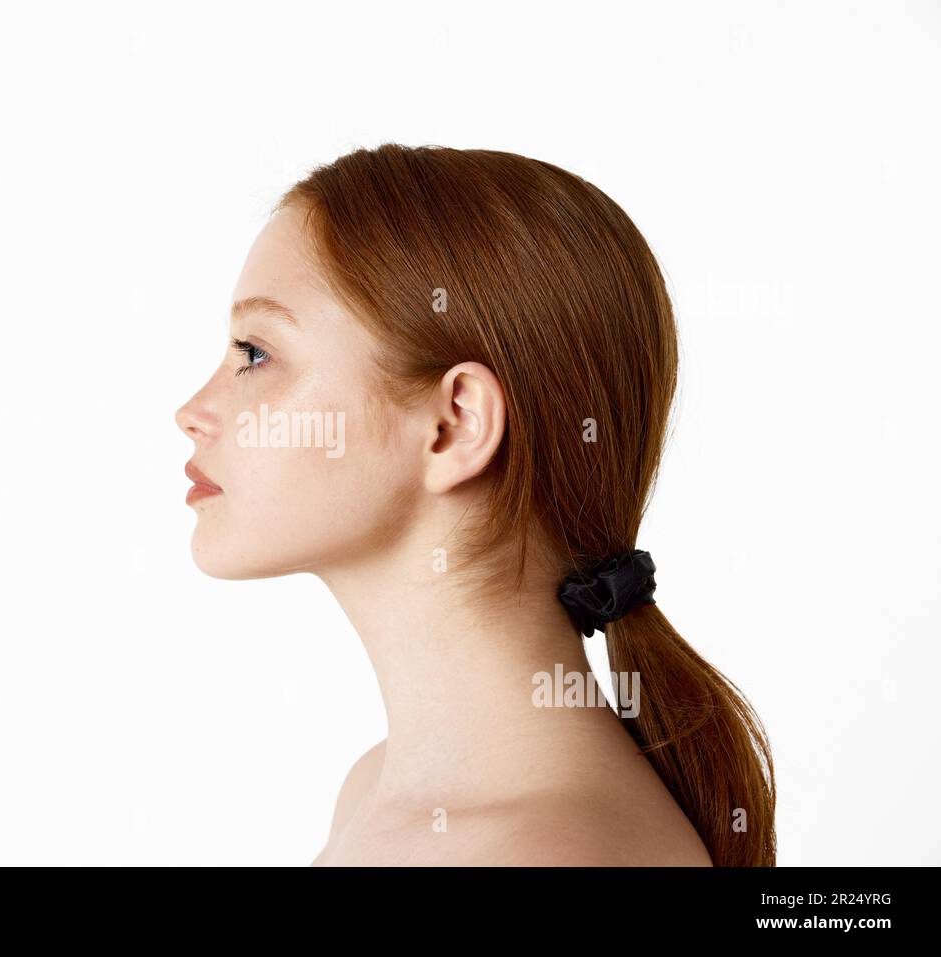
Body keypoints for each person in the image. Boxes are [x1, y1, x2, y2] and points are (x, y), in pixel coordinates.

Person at [175, 144, 776, 866]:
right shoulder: (375, 793)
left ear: (456, 422)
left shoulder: (552, 855)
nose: (193, 411)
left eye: (255, 352)